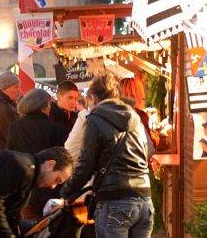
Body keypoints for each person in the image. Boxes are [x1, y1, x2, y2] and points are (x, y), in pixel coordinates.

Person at [57, 73, 153, 238]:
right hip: (144, 199)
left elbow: (86, 164)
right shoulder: (134, 116)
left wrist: (66, 192)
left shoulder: (95, 119)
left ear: (93, 97)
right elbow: (148, 150)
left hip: (114, 200)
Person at [5, 89, 72, 229]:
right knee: (47, 228)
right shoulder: (56, 129)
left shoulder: (15, 127)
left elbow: (10, 155)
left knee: (29, 228)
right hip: (50, 189)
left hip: (24, 187)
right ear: (44, 106)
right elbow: (63, 160)